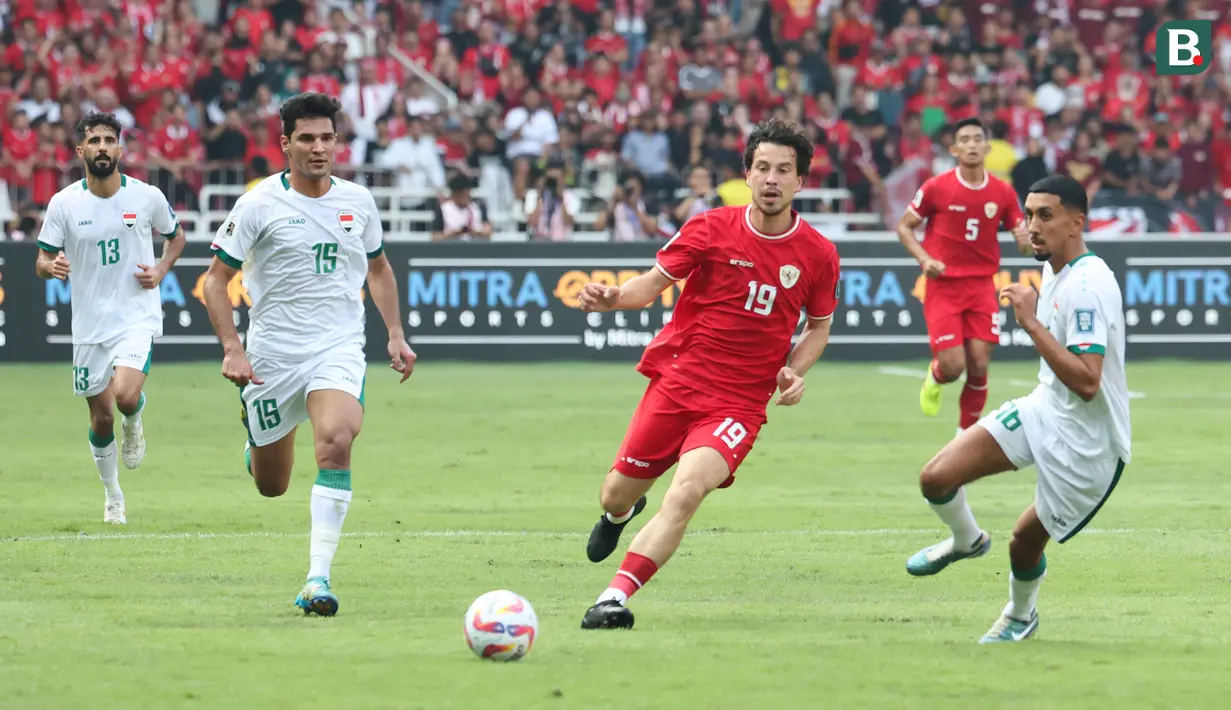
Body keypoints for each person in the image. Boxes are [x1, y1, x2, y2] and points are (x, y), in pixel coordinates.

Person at [576, 119, 842, 630]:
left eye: (783, 170)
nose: (771, 179)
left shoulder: (819, 253)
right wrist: (613, 299)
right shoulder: (710, 228)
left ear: (800, 181)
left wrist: (792, 371)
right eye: (762, 167)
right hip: (678, 383)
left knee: (687, 491)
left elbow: (818, 327)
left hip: (739, 404)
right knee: (615, 493)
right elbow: (649, 286)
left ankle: (613, 599)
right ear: (747, 174)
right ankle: (618, 515)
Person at [202, 93, 416, 616]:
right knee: (271, 486)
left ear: (337, 142)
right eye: (306, 139)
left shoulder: (358, 201)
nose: (318, 148)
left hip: (337, 347)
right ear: (285, 144)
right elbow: (215, 281)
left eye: (326, 138)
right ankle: (256, 443)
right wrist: (232, 348)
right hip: (272, 356)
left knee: (336, 441)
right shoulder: (258, 204)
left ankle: (317, 579)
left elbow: (379, 269)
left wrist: (395, 333)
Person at [903, 175, 1131, 644]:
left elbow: (1088, 382)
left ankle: (1020, 615)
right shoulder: (1057, 269)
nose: (1032, 226)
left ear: (1076, 223)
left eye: (1045, 215)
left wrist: (1030, 323)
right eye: (1028, 215)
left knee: (1024, 542)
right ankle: (967, 540)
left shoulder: (1087, 285)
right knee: (936, 478)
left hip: (1087, 444)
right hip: (1043, 408)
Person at [34, 111, 186, 525]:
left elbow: (176, 237)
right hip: (88, 326)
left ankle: (134, 417)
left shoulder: (146, 196)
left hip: (135, 316)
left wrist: (160, 269)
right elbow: (41, 260)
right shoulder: (64, 203)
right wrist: (51, 266)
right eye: (94, 140)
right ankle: (113, 495)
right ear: (80, 150)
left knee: (124, 396)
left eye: (109, 140)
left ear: (120, 149)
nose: (102, 147)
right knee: (101, 418)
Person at [896, 117, 1030, 436]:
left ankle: (964, 437)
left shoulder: (1002, 192)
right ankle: (935, 376)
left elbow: (1024, 241)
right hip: (944, 287)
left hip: (982, 285)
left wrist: (1026, 239)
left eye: (977, 139)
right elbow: (904, 227)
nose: (972, 145)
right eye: (965, 140)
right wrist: (925, 259)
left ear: (987, 147)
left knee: (980, 363)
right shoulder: (936, 187)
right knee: (954, 366)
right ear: (954, 149)